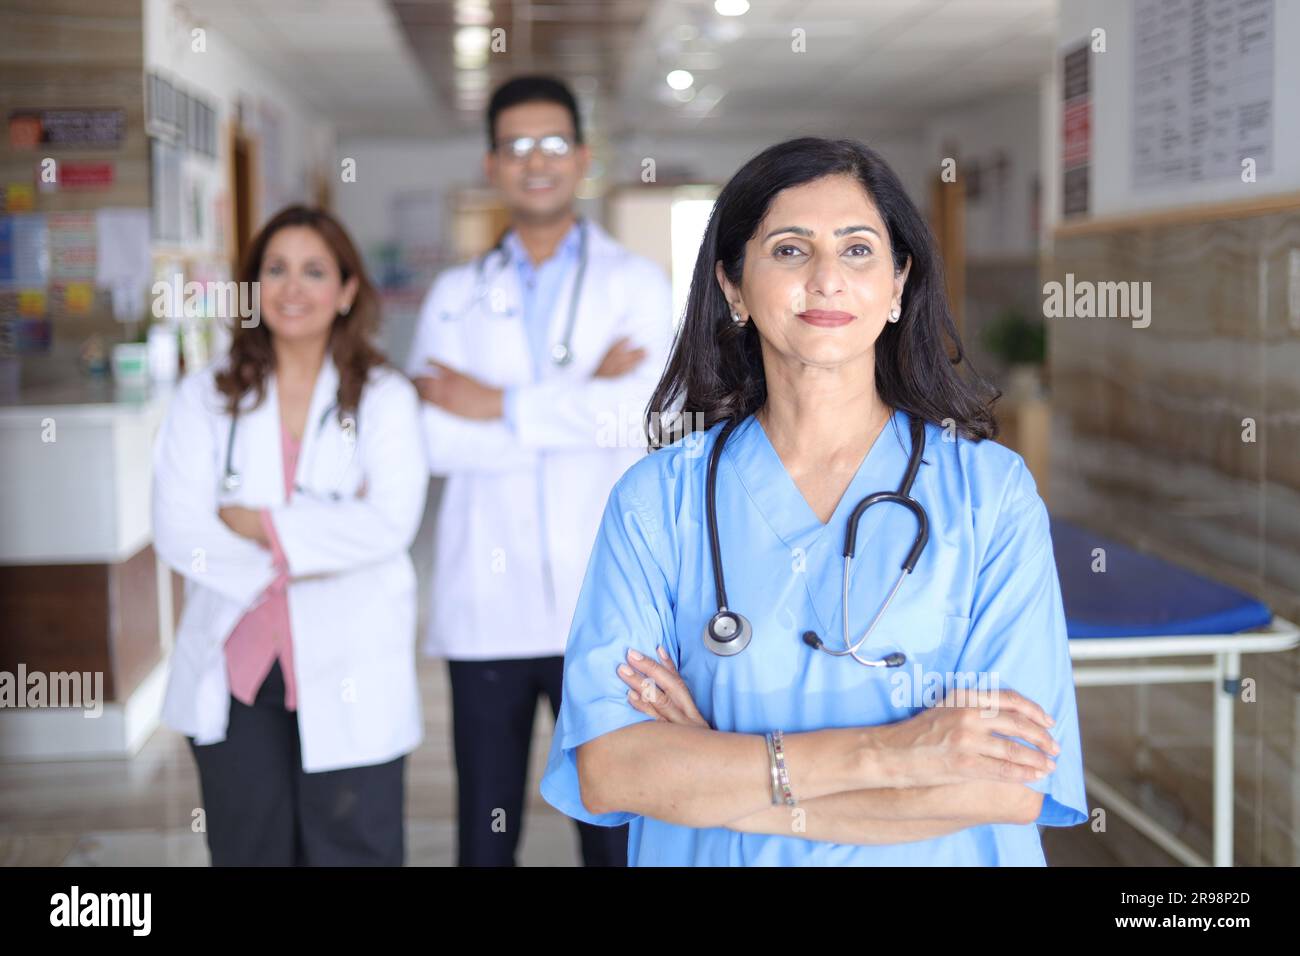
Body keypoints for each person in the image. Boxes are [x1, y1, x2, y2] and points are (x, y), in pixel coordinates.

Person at [540, 137, 1088, 865]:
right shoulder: (656, 502)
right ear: (733, 286)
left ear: (899, 285)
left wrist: (715, 772)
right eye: (790, 251)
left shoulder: (991, 494)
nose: (827, 277)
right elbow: (612, 772)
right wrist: (893, 756)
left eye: (859, 250)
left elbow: (1005, 788)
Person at [406, 75, 672, 866]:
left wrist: (492, 402)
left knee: (614, 829)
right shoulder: (455, 296)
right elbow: (434, 439)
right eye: (517, 146)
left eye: (553, 143)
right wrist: (581, 398)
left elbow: (641, 418)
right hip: (487, 608)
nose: (536, 161)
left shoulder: (638, 285)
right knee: (486, 834)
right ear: (492, 163)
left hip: (606, 605)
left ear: (582, 157)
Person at [153, 205, 428, 866]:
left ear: (347, 290)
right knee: (250, 849)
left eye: (313, 270)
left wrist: (262, 525)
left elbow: (390, 521)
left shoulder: (384, 396)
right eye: (275, 270)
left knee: (353, 849)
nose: (292, 287)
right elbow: (177, 526)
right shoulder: (206, 396)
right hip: (240, 666)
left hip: (350, 663)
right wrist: (308, 549)